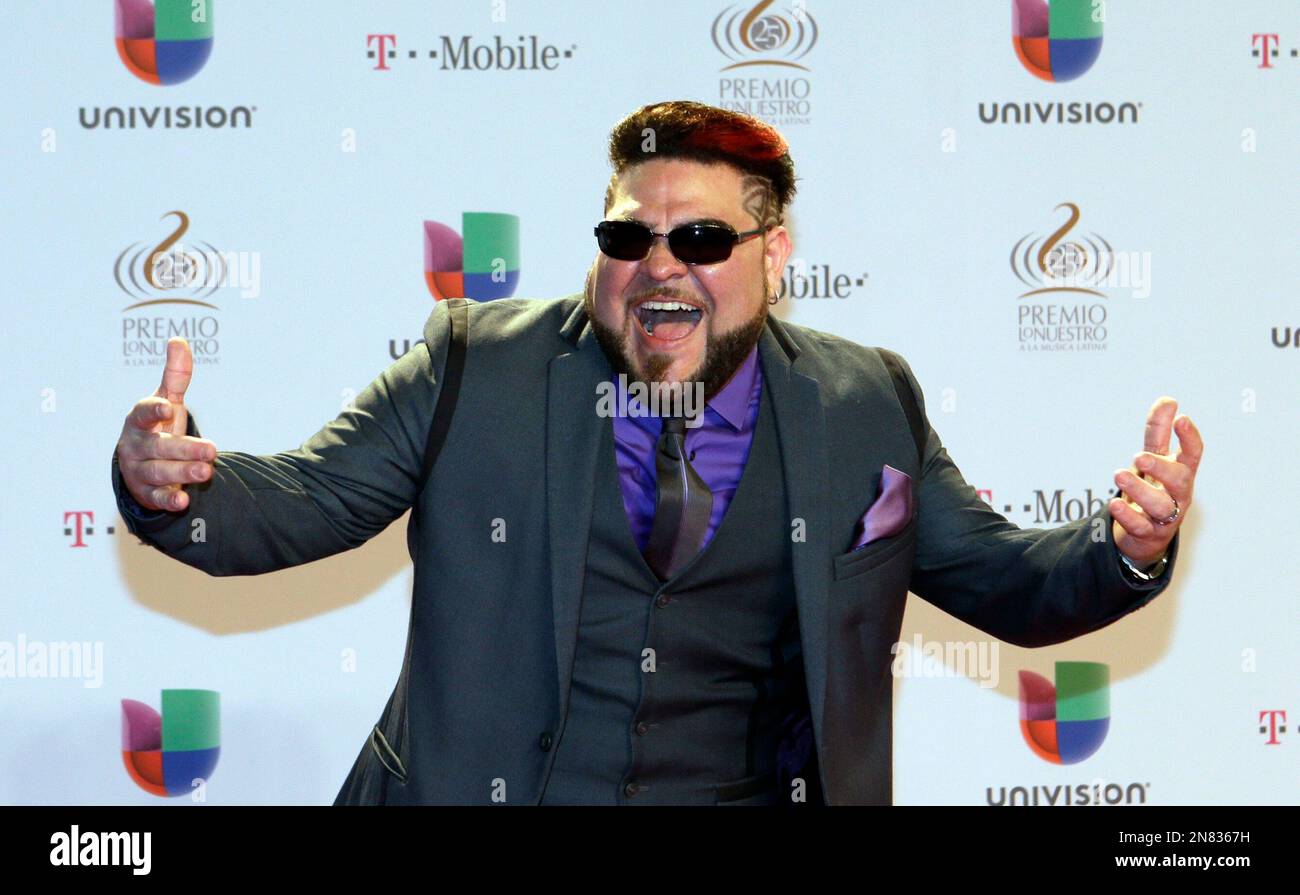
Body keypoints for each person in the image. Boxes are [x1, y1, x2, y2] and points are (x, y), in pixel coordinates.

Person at [111, 100, 1202, 805]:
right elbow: (299, 503)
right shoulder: (473, 364)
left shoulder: (867, 399)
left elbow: (1006, 582)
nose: (659, 267)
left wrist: (1124, 545)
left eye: (702, 240)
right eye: (628, 237)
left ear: (773, 255)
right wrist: (172, 485)